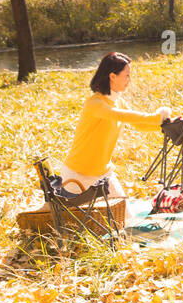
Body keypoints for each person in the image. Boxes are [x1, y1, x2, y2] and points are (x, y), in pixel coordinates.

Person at [60, 52, 171, 198]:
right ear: (112, 76)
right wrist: (157, 117)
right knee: (80, 214)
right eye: (127, 75)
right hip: (77, 174)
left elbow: (139, 124)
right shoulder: (95, 103)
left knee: (124, 210)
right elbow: (121, 115)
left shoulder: (118, 102)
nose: (129, 80)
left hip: (103, 173)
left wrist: (167, 125)